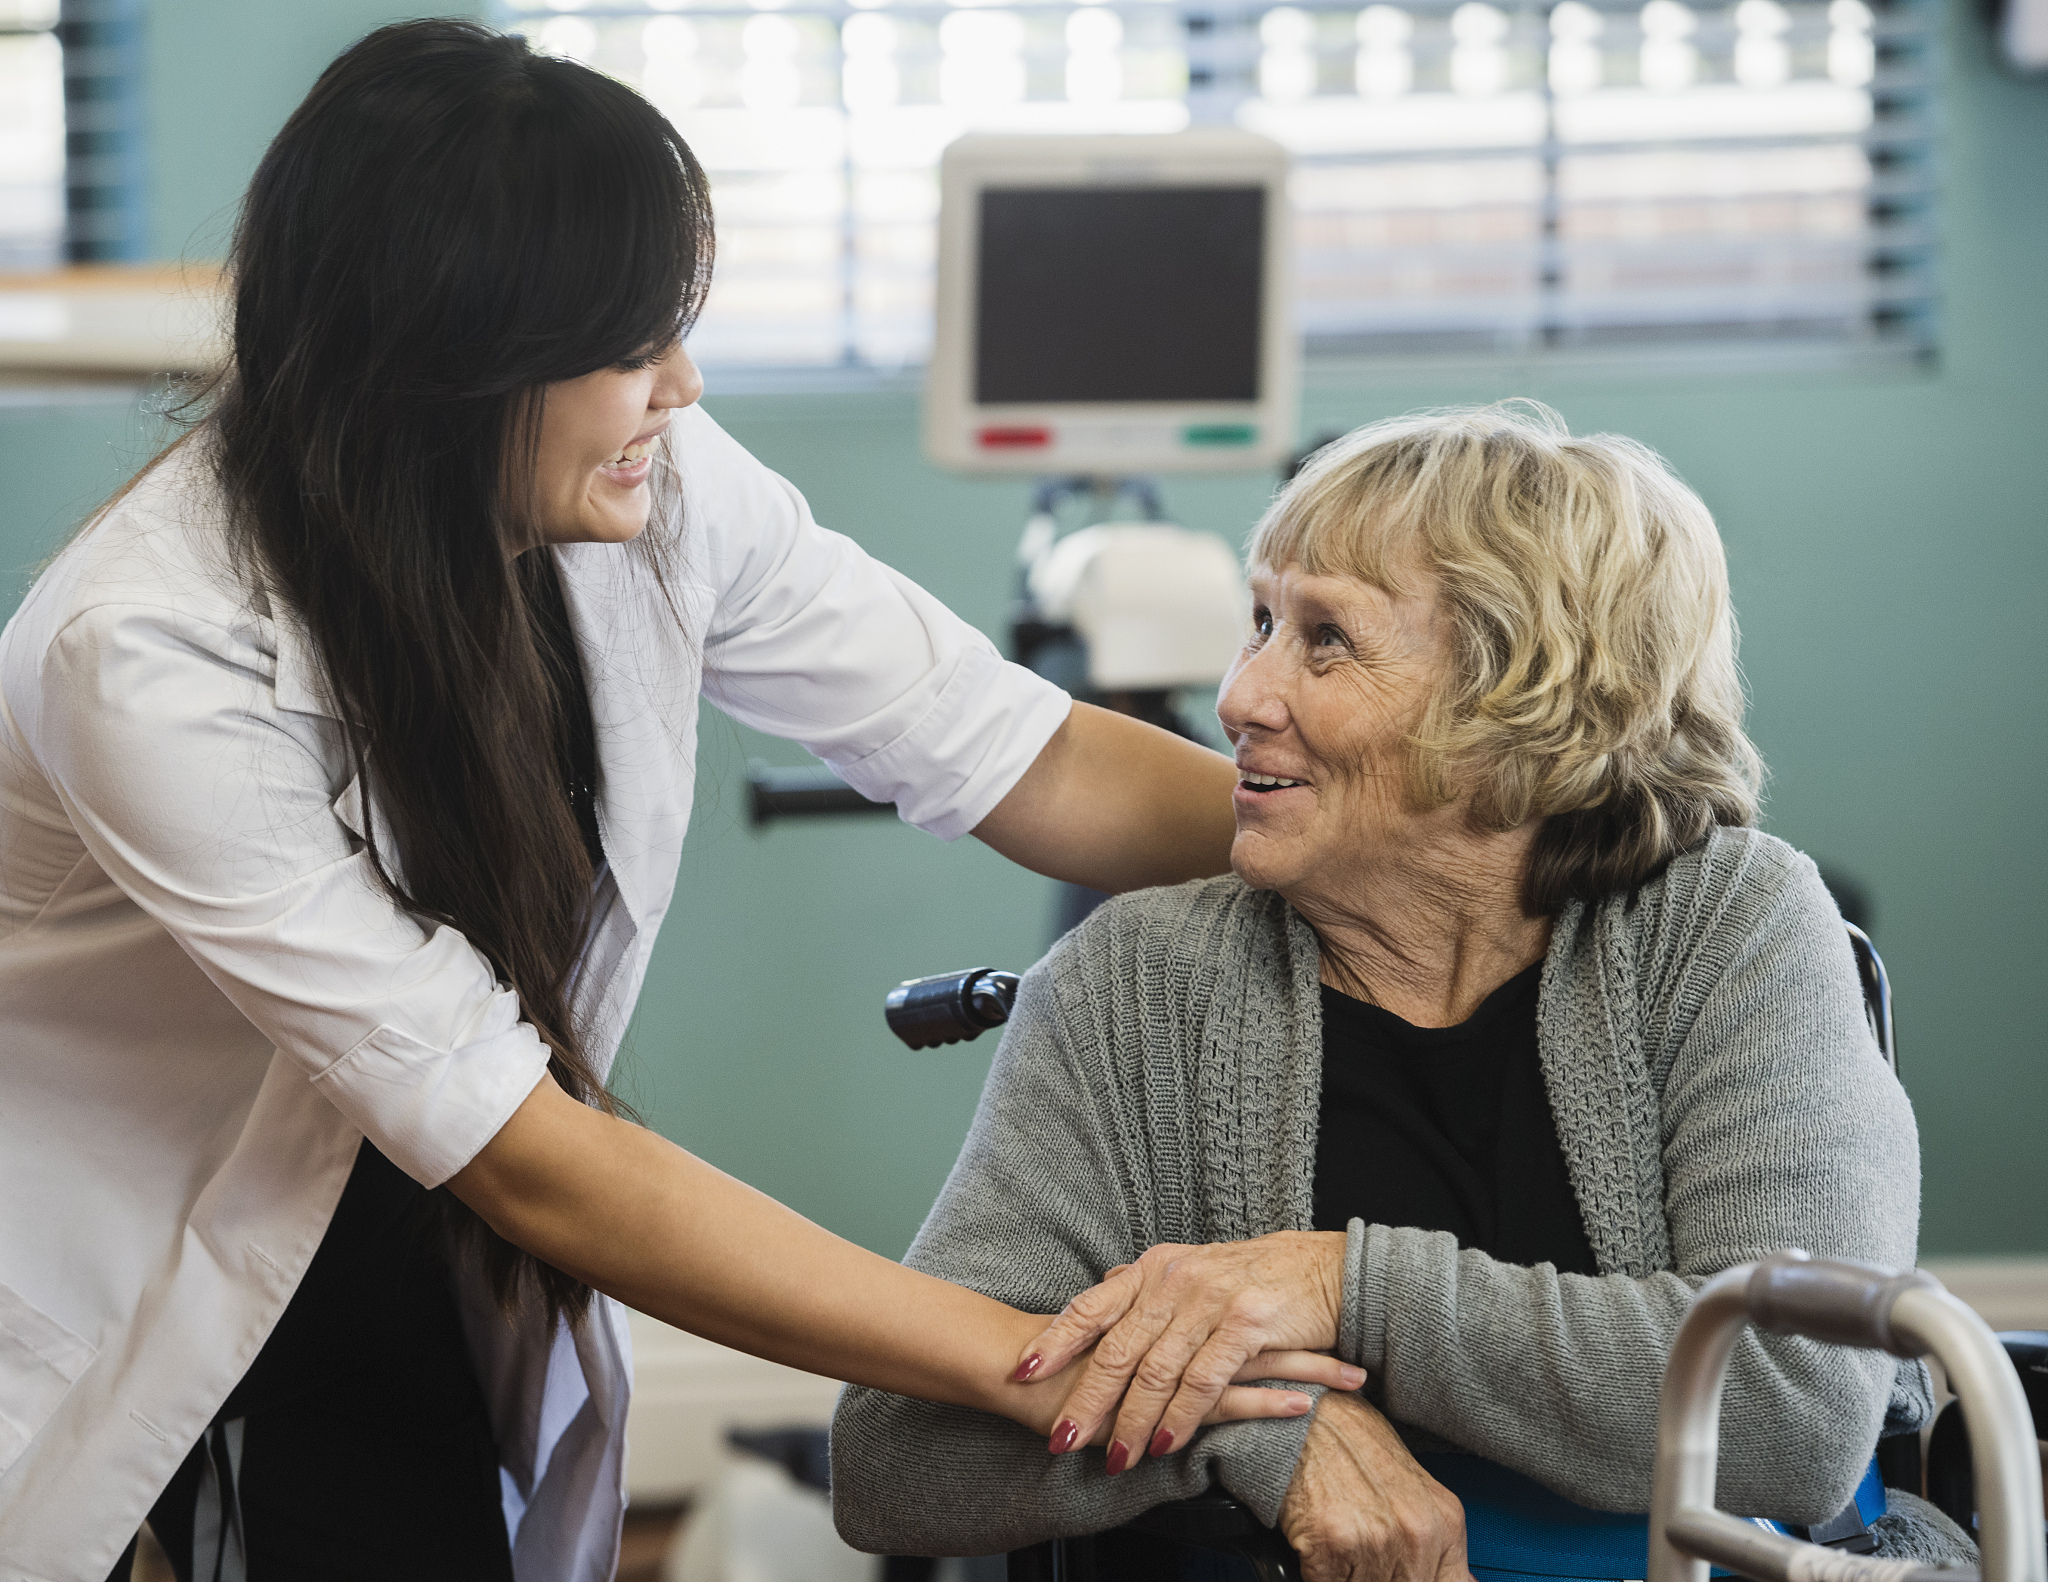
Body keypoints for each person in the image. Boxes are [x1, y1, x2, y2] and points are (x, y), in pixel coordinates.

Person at [0, 23, 1353, 1582]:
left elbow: (1023, 751)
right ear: (452, 361)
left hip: (393, 1246)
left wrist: (1397, 854)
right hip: (120, 1278)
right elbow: (532, 1150)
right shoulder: (150, 652)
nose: (683, 386)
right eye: (633, 345)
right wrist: (1036, 1360)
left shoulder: (660, 484)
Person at [830, 403, 1974, 1579]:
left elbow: (1793, 1409)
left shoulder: (1727, 924)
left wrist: (1341, 1286)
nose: (1239, 695)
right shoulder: (1134, 986)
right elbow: (899, 1457)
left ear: (1521, 692)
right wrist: (1261, 1425)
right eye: (1260, 621)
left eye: (1324, 639)